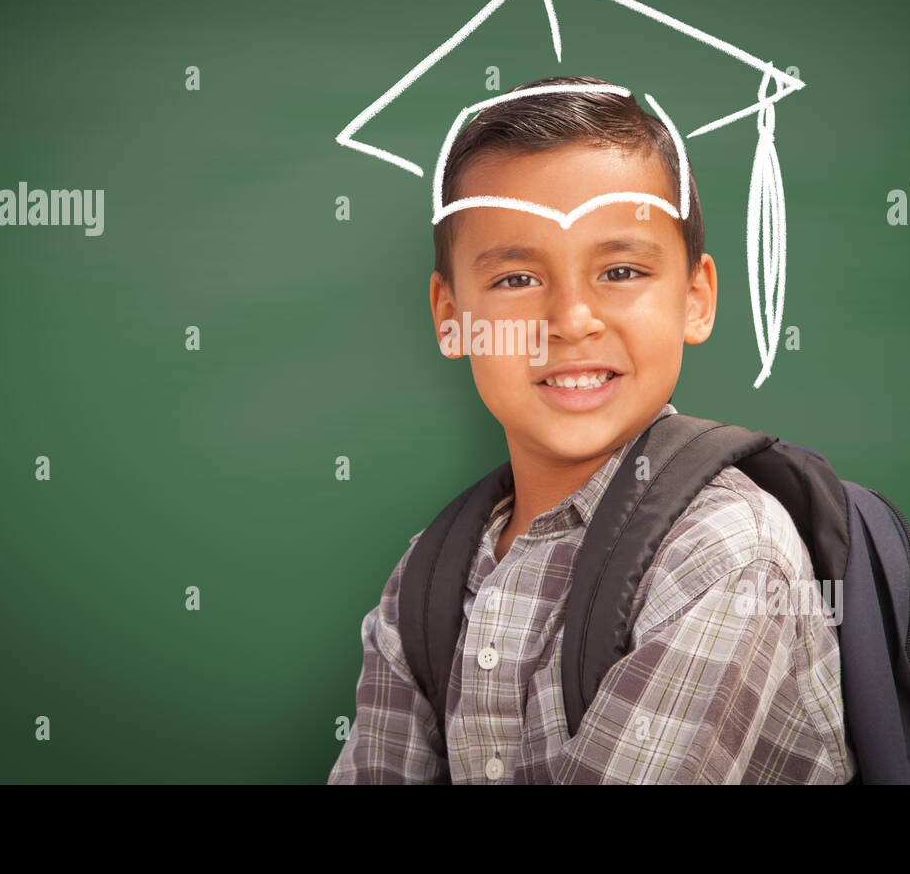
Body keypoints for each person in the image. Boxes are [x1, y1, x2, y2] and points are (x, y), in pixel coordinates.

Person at [328, 76, 854, 783]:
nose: (572, 318)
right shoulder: (425, 582)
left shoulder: (724, 553)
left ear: (695, 299)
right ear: (450, 316)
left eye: (621, 269)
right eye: (516, 279)